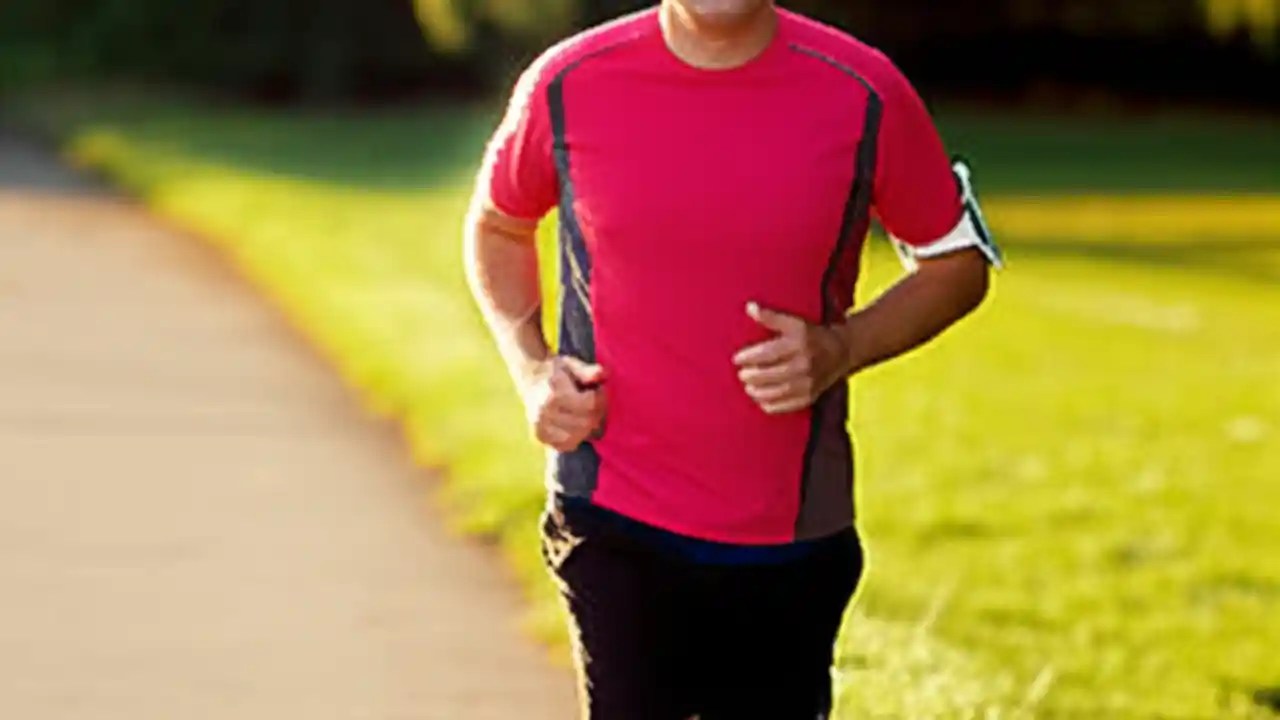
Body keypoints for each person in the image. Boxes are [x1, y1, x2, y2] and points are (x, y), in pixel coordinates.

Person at [464, 1, 1000, 717]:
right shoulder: (568, 81)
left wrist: (841, 348)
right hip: (614, 515)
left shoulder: (861, 88)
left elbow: (957, 265)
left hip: (789, 537)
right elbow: (498, 225)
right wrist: (532, 371)